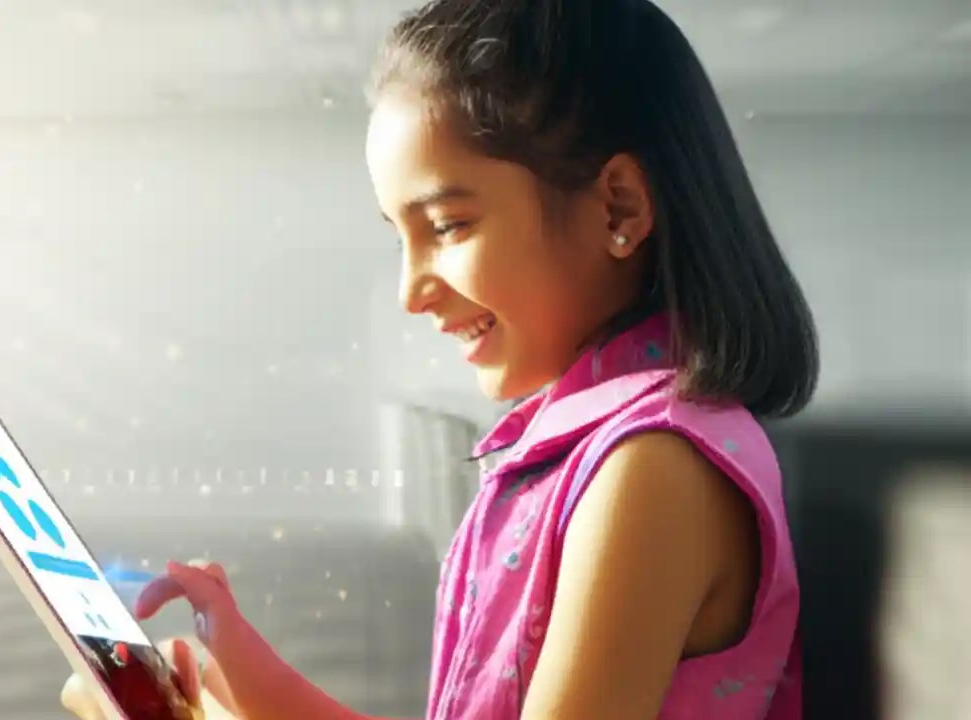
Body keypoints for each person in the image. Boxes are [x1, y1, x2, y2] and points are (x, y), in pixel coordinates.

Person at [64, 0, 816, 717]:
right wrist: (244, 676)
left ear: (618, 207)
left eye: (449, 226)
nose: (411, 293)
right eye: (402, 236)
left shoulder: (652, 470)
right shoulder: (599, 452)